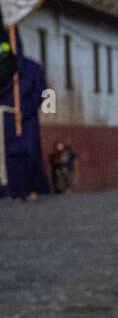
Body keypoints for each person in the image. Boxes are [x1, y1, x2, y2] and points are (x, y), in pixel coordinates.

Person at [0, 28, 50, 201]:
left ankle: (30, 188)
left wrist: (27, 109)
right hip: (3, 119)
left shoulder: (33, 68)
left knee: (29, 153)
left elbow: (43, 92)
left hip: (26, 120)